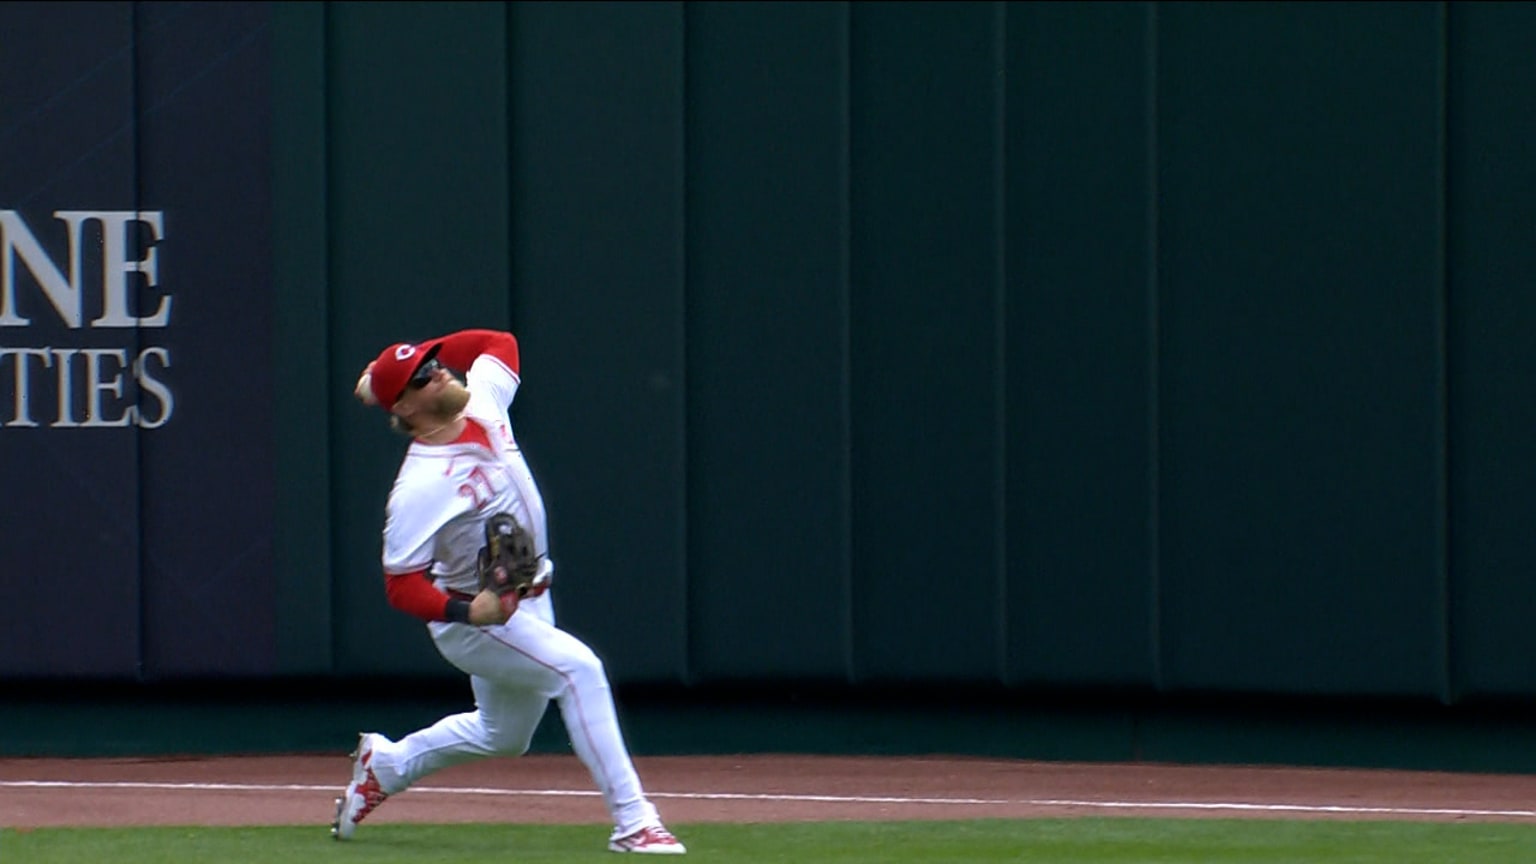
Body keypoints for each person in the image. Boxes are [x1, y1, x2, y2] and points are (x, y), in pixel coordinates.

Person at [332, 328, 685, 855]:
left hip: (531, 595)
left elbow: (498, 343)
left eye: (434, 362)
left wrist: (405, 363)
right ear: (405, 407)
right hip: (478, 620)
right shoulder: (419, 487)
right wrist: (467, 612)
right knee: (579, 670)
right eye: (423, 376)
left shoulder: (484, 402)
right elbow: (400, 585)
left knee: (504, 734)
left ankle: (388, 765)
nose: (439, 370)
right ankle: (635, 822)